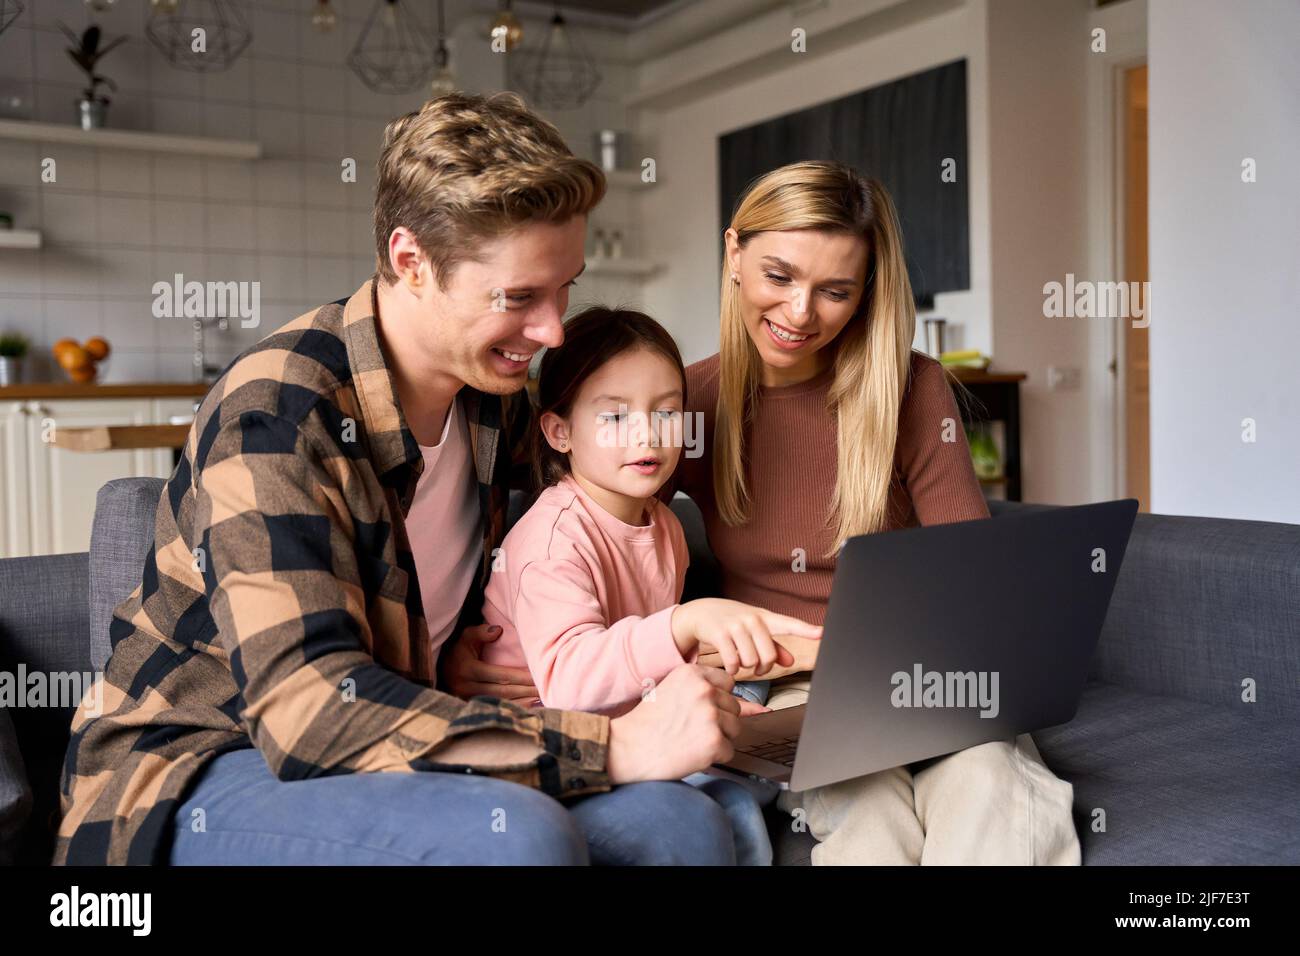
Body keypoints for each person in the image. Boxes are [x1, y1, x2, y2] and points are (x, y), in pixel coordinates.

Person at [55, 92, 752, 867]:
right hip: (205, 766)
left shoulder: (493, 401)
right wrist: (611, 744)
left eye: (565, 290)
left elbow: (621, 456)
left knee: (681, 824)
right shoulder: (277, 418)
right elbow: (311, 713)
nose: (553, 330)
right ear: (411, 260)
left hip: (403, 737)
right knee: (520, 840)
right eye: (519, 298)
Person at [663, 160, 1081, 865]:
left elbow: (973, 583)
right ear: (733, 254)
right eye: (779, 276)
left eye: (834, 291)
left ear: (867, 293)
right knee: (866, 814)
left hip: (924, 667)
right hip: (795, 685)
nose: (800, 314)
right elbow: (591, 519)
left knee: (990, 783)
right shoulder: (689, 401)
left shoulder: (913, 390)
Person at [479, 306, 824, 864]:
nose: (648, 433)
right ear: (559, 431)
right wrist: (684, 623)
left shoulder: (664, 526)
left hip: (629, 718)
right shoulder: (552, 540)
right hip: (553, 740)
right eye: (615, 416)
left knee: (757, 747)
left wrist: (716, 692)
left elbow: (655, 663)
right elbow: (569, 683)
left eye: (667, 414)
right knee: (728, 799)